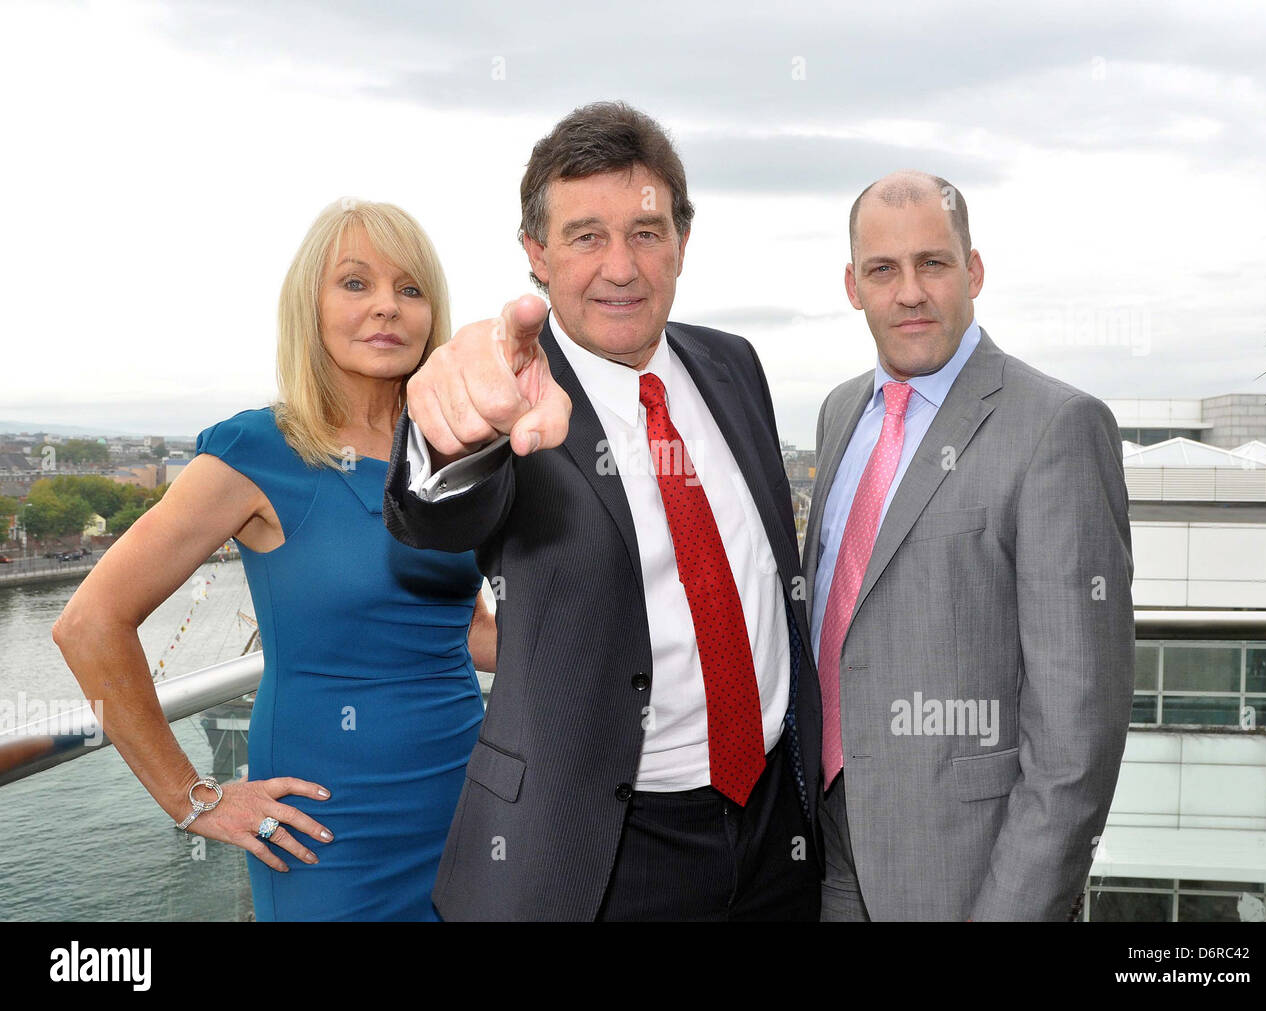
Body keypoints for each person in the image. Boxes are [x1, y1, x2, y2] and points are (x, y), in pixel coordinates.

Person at [382, 101, 821, 921]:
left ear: (683, 244)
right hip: (602, 853)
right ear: (535, 256)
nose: (621, 267)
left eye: (646, 233)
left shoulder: (734, 365)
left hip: (774, 830)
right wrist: (454, 438)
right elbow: (433, 517)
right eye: (586, 236)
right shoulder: (520, 395)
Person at [53, 198, 496, 921]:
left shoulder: (453, 451)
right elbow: (88, 622)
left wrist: (618, 661)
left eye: (410, 288)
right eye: (355, 283)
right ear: (309, 308)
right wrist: (194, 798)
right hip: (327, 834)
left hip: (467, 801)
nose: (387, 306)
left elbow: (462, 626)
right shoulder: (258, 450)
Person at [804, 171, 1134, 921]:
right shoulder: (839, 412)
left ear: (973, 271)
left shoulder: (1057, 427)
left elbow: (1076, 739)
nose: (909, 291)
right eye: (883, 270)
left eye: (934, 263)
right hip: (828, 860)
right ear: (853, 286)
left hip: (966, 878)